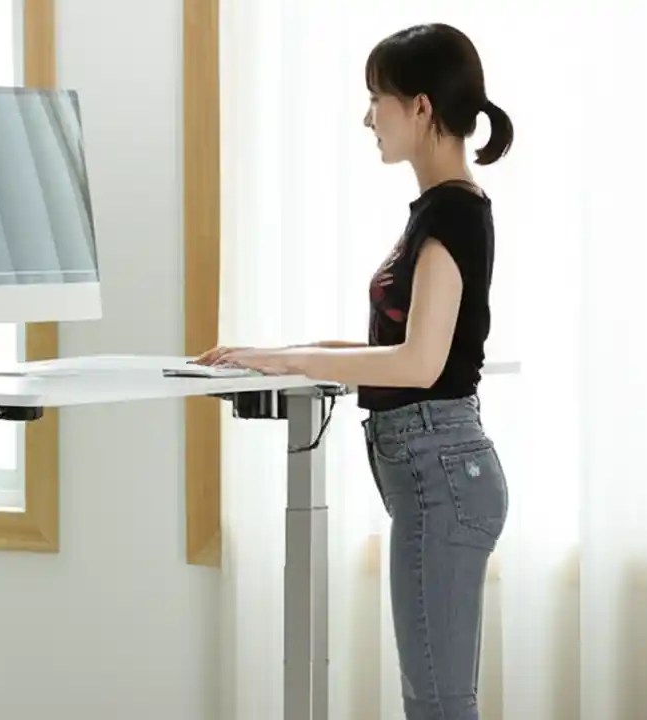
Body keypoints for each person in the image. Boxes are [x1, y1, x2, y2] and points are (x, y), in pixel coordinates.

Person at [196, 22, 512, 720]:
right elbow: (402, 341)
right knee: (436, 701)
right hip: (439, 472)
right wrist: (279, 350)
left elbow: (421, 362)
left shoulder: (455, 212)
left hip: (443, 479)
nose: (368, 116)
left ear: (421, 107)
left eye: (378, 98)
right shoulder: (442, 208)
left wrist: (282, 359)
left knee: (438, 706)